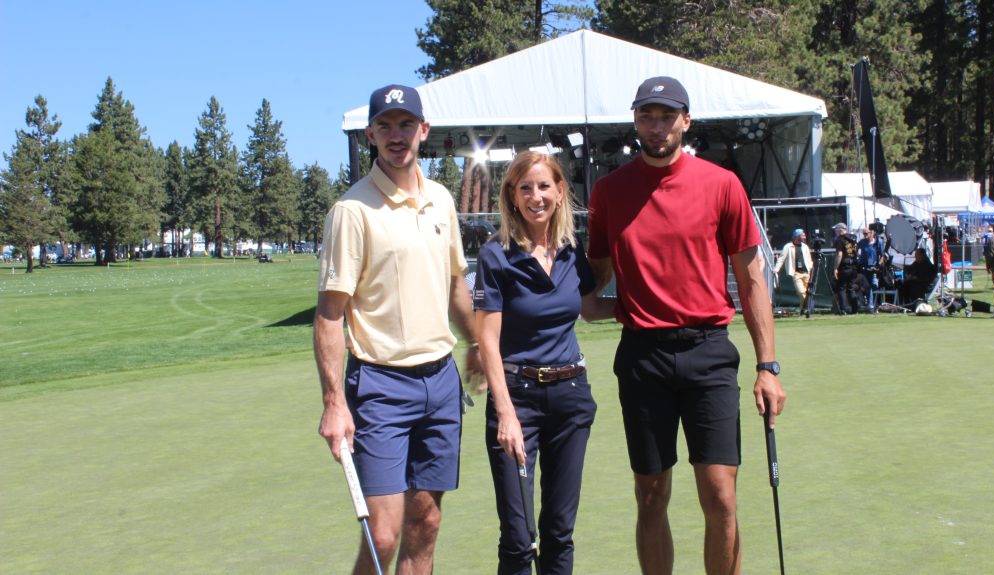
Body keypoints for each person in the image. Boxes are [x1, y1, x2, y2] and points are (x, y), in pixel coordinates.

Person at [587, 76, 786, 575]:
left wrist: (768, 365)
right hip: (642, 358)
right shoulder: (610, 192)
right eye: (646, 116)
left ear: (686, 121)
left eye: (666, 116)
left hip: (709, 354)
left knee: (721, 496)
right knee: (650, 494)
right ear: (635, 120)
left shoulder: (721, 184)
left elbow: (752, 278)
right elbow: (594, 281)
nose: (656, 127)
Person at [313, 83, 482, 575]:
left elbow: (454, 286)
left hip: (441, 383)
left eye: (405, 124)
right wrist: (333, 402)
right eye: (385, 126)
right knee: (383, 532)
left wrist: (474, 342)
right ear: (370, 134)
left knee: (425, 522)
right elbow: (329, 314)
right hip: (380, 387)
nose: (396, 135)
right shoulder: (351, 211)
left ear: (423, 130)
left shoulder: (442, 201)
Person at [474, 151, 615, 575]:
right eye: (525, 188)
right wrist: (506, 415)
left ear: (559, 192)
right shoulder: (496, 256)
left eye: (544, 186)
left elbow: (589, 309)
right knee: (519, 538)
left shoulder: (572, 251)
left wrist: (652, 304)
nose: (536, 196)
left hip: (571, 399)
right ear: (512, 196)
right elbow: (487, 339)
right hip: (518, 401)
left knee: (558, 531)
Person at [772, 228, 814, 317]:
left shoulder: (805, 246)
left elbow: (809, 259)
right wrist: (776, 268)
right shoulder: (788, 246)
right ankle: (807, 308)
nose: (804, 237)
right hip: (796, 273)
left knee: (807, 292)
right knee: (801, 292)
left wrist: (810, 268)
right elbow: (782, 258)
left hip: (807, 273)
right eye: (802, 235)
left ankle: (803, 310)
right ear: (797, 236)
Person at [832, 222, 860, 314]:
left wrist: (836, 268)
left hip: (844, 267)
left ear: (840, 230)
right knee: (850, 288)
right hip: (853, 267)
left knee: (841, 288)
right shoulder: (853, 238)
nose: (835, 232)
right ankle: (855, 309)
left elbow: (839, 255)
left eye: (836, 230)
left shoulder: (840, 239)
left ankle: (844, 309)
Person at [857, 227, 886, 312]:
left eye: (866, 233)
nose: (864, 235)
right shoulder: (862, 242)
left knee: (874, 285)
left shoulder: (878, 242)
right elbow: (855, 249)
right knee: (867, 286)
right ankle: (870, 305)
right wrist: (858, 259)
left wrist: (878, 266)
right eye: (863, 234)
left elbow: (882, 256)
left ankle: (875, 304)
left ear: (871, 233)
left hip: (873, 268)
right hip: (864, 267)